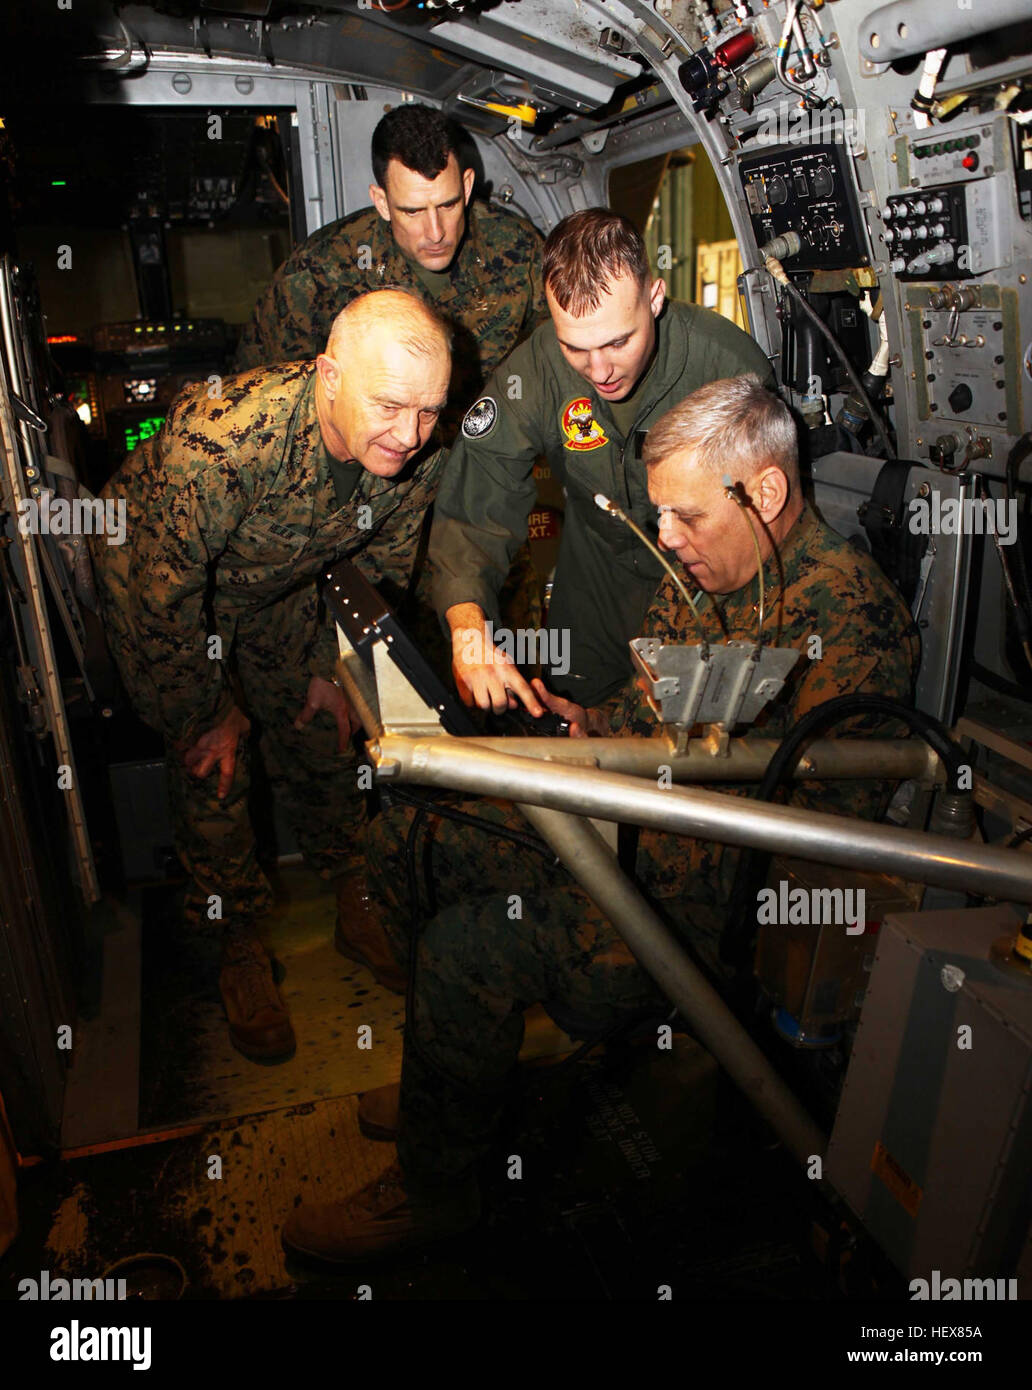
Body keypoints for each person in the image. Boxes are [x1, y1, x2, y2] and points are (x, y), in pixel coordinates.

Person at [280, 375, 921, 1262]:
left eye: (685, 516)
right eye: (659, 515)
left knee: (465, 948)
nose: (666, 539)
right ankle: (452, 1081)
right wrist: (588, 726)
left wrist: (661, 776)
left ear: (766, 493)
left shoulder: (849, 617)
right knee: (409, 839)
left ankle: (437, 1195)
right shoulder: (707, 576)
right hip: (618, 824)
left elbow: (819, 834)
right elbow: (646, 704)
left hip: (698, 904)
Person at [89, 290, 451, 1063]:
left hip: (281, 575)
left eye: (429, 411)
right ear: (329, 377)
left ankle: (353, 889)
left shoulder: (420, 445)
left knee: (327, 720)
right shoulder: (221, 445)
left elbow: (382, 564)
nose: (411, 435)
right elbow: (165, 598)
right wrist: (210, 712)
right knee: (213, 763)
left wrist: (329, 668)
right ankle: (237, 940)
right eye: (390, 407)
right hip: (159, 582)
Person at [431, 208, 777, 719]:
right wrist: (468, 628)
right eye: (576, 347)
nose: (599, 370)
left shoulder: (728, 369)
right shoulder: (539, 368)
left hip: (704, 588)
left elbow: (765, 529)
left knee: (693, 744)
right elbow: (475, 504)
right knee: (575, 730)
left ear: (655, 299)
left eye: (618, 342)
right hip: (592, 586)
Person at [235, 102, 545, 441]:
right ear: (381, 202)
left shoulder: (518, 249)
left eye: (448, 204)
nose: (436, 231)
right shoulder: (318, 273)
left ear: (467, 186)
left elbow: (556, 363)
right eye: (412, 211)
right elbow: (262, 400)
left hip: (484, 460)